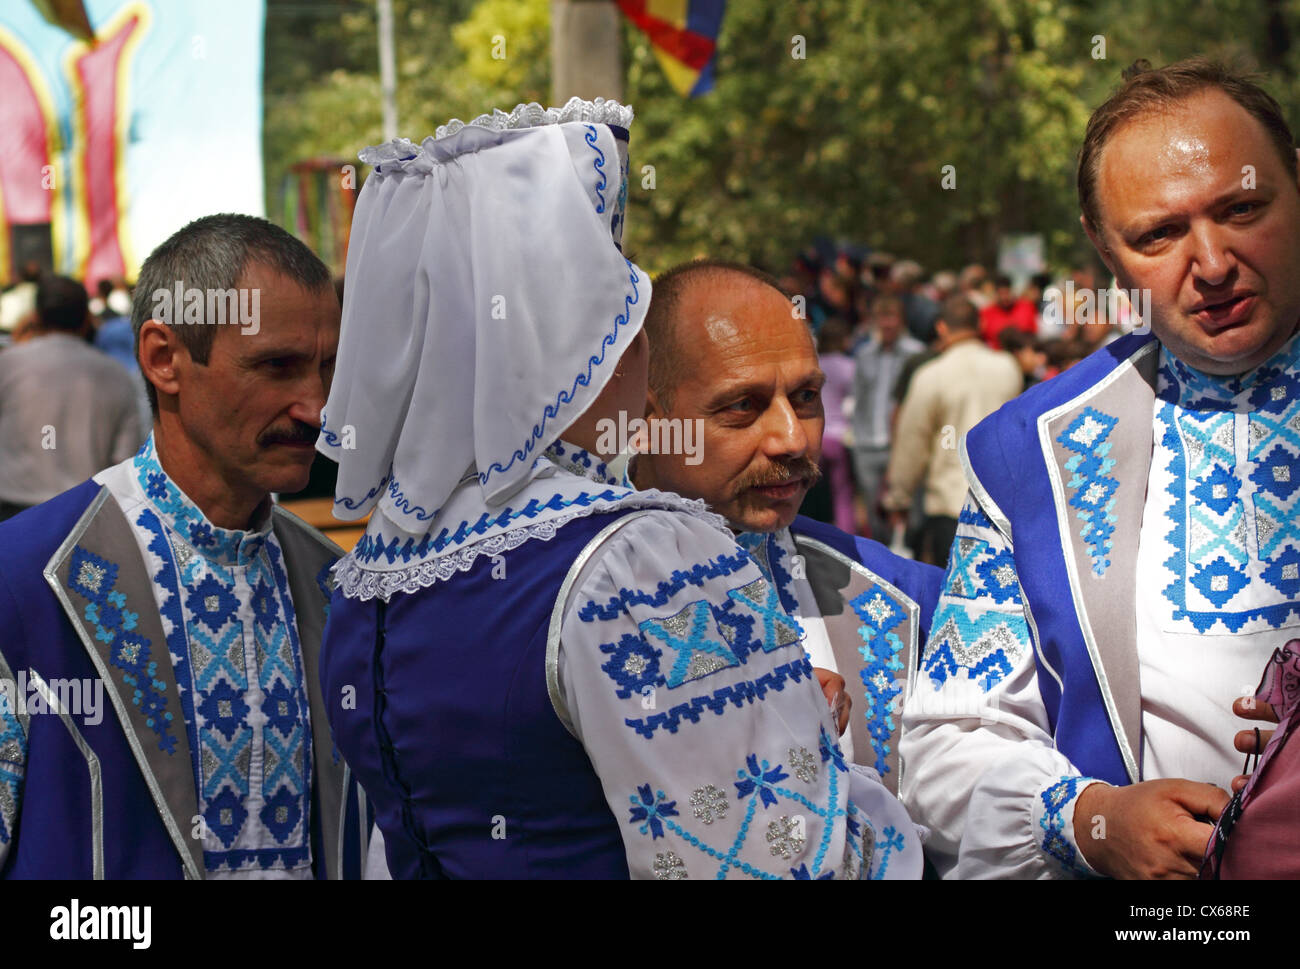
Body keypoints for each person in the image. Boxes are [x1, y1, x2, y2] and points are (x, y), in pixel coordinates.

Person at [318, 99, 920, 880]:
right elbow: (778, 856)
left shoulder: (376, 575)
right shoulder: (638, 558)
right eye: (627, 319)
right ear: (572, 343)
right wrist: (811, 738)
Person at [900, 58, 1300, 879]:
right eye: (1159, 235)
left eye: (1243, 209)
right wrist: (1088, 817)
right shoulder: (1031, 454)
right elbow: (942, 747)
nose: (1213, 262)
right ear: (1105, 252)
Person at [0, 214, 370, 878]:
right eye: (277, 366)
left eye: (327, 367)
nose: (316, 405)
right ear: (164, 359)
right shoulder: (26, 580)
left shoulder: (338, 584)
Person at [633, 259, 942, 791]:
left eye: (805, 397)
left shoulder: (908, 600)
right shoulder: (566, 604)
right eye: (742, 406)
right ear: (645, 422)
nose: (792, 439)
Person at [882, 295, 1022, 566]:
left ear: (942, 328)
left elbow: (912, 443)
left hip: (950, 505)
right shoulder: (1008, 367)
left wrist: (898, 497)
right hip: (1000, 502)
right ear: (979, 324)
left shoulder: (931, 375)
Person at [0, 275, 143, 520]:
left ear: (36, 317)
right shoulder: (116, 375)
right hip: (83, 515)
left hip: (12, 514)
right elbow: (125, 460)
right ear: (87, 320)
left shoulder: (8, 364)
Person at [851, 295, 924, 541]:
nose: (888, 325)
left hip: (903, 444)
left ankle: (910, 557)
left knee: (910, 509)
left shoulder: (915, 354)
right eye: (882, 319)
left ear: (901, 321)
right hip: (868, 443)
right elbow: (858, 397)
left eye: (892, 318)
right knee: (874, 509)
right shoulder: (864, 354)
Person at [978, 273, 1038, 349]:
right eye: (1000, 294)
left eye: (1007, 293)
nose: (1004, 298)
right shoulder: (986, 313)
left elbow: (1034, 333)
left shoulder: (1027, 307)